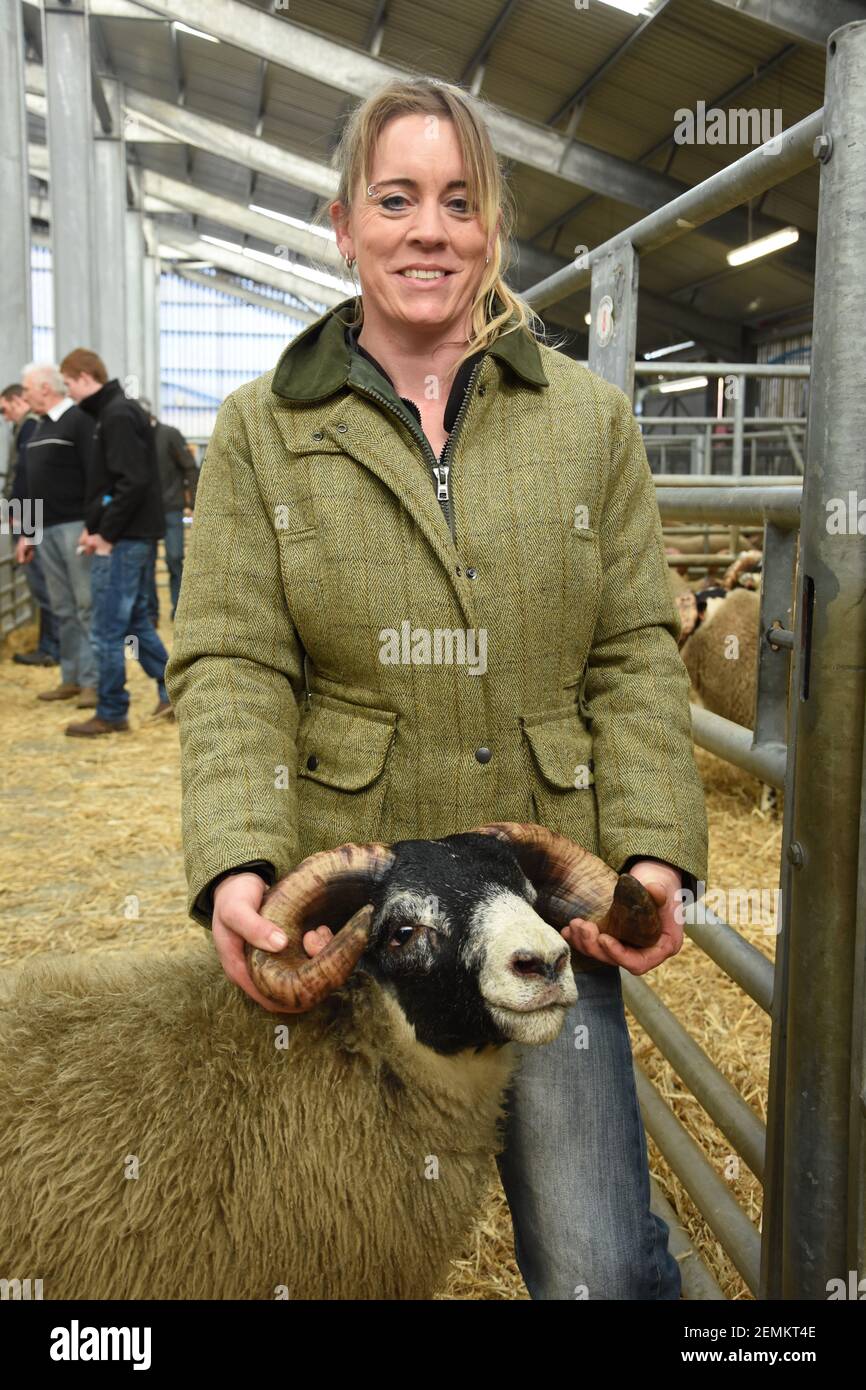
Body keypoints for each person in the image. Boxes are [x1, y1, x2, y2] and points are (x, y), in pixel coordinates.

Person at [165, 77, 708, 1300]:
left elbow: (629, 645)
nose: (429, 230)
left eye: (459, 202)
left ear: (490, 227)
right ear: (342, 223)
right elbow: (235, 656)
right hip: (363, 918)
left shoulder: (583, 421)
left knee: (595, 1259)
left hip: (537, 900)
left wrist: (652, 848)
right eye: (396, 198)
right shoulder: (263, 431)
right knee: (319, 1248)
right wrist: (242, 856)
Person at [59, 349, 172, 736]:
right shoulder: (110, 413)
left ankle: (111, 710)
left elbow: (132, 480)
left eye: (69, 383)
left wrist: (106, 533)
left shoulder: (116, 414)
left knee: (107, 629)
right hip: (126, 536)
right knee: (133, 625)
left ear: (86, 376)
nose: (68, 392)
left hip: (123, 540)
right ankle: (174, 689)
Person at [15, 365, 98, 707]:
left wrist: (93, 524)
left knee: (85, 605)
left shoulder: (79, 422)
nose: (24, 395)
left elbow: (95, 475)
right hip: (46, 530)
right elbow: (32, 485)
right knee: (62, 607)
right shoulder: (38, 428)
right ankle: (71, 677)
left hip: (74, 526)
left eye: (27, 389)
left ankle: (93, 683)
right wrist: (28, 534)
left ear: (45, 387)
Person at [1, 383, 60, 667]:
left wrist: (20, 520)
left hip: (28, 511)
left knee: (41, 581)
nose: (5, 416)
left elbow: (25, 475)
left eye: (5, 409)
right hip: (31, 510)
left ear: (16, 401)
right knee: (41, 581)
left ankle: (51, 648)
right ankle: (51, 646)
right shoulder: (30, 427)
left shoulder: (29, 428)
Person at [138, 399, 198, 625]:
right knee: (146, 563)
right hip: (145, 512)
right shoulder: (134, 438)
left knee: (174, 558)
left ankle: (180, 608)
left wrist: (193, 501)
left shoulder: (170, 434)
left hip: (171, 508)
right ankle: (151, 613)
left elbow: (189, 467)